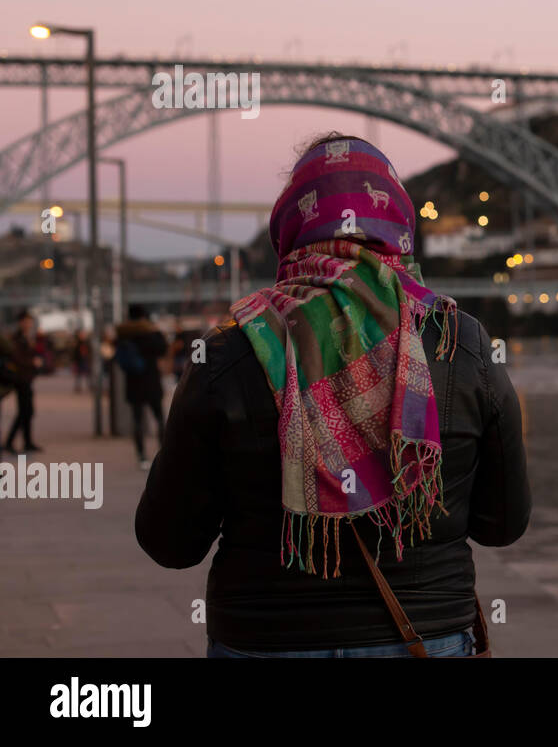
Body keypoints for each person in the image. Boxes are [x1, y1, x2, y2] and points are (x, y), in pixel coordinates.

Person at [136, 132, 530, 658]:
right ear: (399, 224)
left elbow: (170, 542)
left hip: (267, 640)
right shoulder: (464, 344)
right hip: (427, 635)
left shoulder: (228, 354)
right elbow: (502, 525)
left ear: (293, 227)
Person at [115, 305, 169, 469]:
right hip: (151, 380)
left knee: (137, 420)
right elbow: (163, 349)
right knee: (159, 418)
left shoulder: (124, 334)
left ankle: (141, 456)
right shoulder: (150, 333)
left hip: (133, 382)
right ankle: (164, 453)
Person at [1, 311, 45, 454]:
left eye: (30, 321)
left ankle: (27, 442)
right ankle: (10, 442)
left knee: (28, 412)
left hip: (26, 378)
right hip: (20, 378)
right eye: (26, 321)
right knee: (25, 411)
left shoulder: (28, 337)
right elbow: (15, 356)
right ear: (21, 322)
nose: (28, 324)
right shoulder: (16, 338)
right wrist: (32, 362)